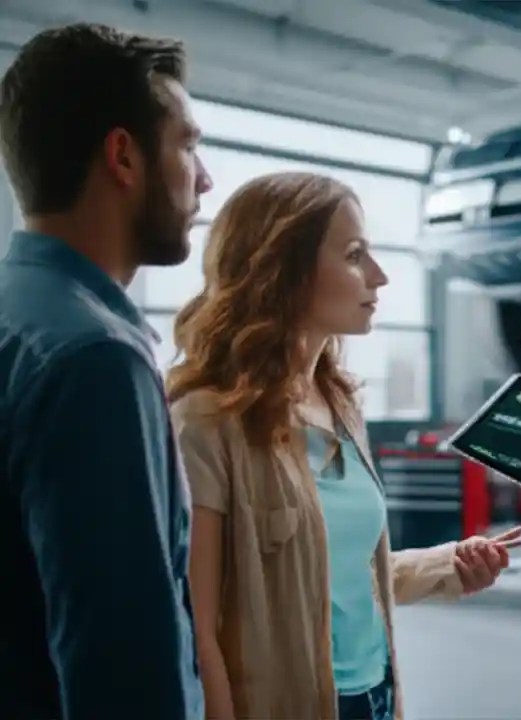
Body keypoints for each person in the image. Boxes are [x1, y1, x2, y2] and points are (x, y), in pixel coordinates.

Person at [166, 170, 521, 720]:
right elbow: (199, 629)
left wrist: (447, 565)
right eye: (354, 255)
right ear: (284, 272)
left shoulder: (338, 404)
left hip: (375, 695)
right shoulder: (205, 421)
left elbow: (337, 574)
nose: (379, 276)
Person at [0, 23, 212, 719]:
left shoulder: (20, 324)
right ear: (123, 156)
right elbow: (124, 666)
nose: (204, 178)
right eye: (187, 145)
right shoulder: (95, 359)